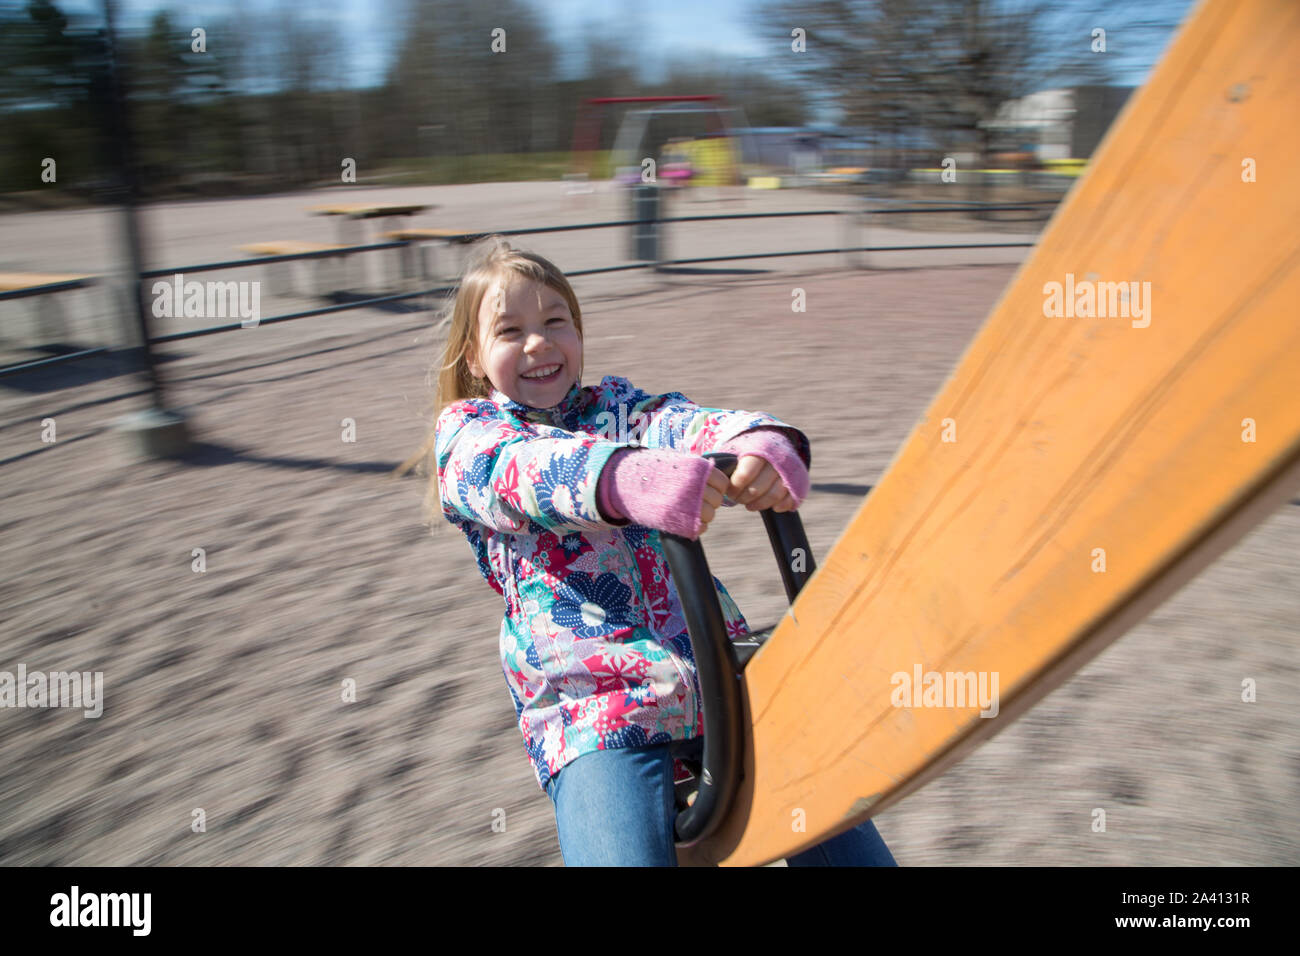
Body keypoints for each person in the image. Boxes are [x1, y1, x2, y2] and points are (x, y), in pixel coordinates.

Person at [419, 235, 896, 867]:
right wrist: (625, 478)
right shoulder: (471, 433)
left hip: (717, 678)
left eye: (555, 321)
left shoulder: (614, 408)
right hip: (594, 708)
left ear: (579, 334)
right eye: (511, 330)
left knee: (840, 828)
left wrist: (759, 443)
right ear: (476, 357)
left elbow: (680, 422)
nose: (538, 343)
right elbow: (517, 473)